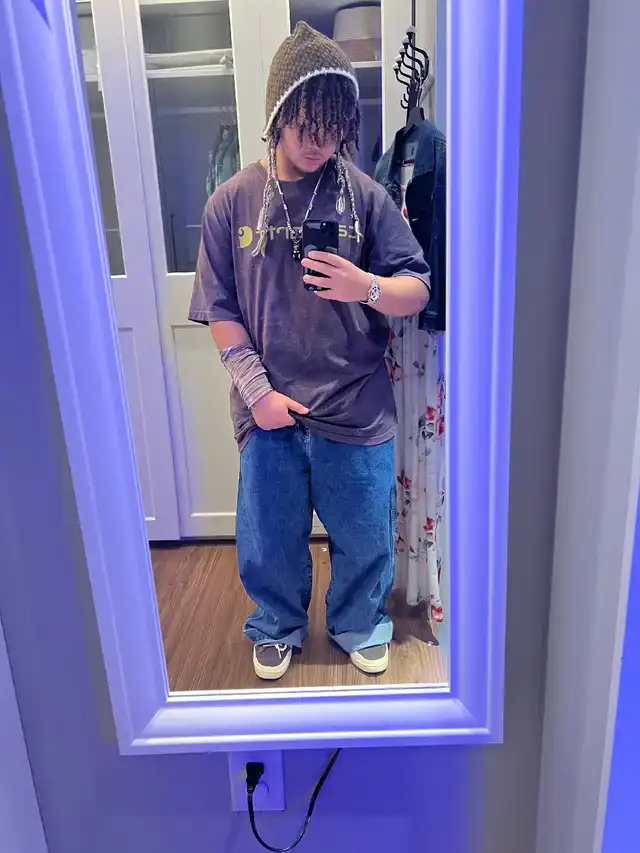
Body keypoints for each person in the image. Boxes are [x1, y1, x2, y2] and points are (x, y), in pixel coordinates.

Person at [189, 22, 430, 681]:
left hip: (356, 405)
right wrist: (257, 393)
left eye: (333, 127)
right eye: (305, 126)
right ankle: (276, 623)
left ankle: (359, 621)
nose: (319, 142)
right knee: (268, 533)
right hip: (269, 408)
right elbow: (218, 309)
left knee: (365, 531)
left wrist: (365, 285)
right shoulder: (230, 202)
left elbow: (417, 288)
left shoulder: (366, 195)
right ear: (278, 114)